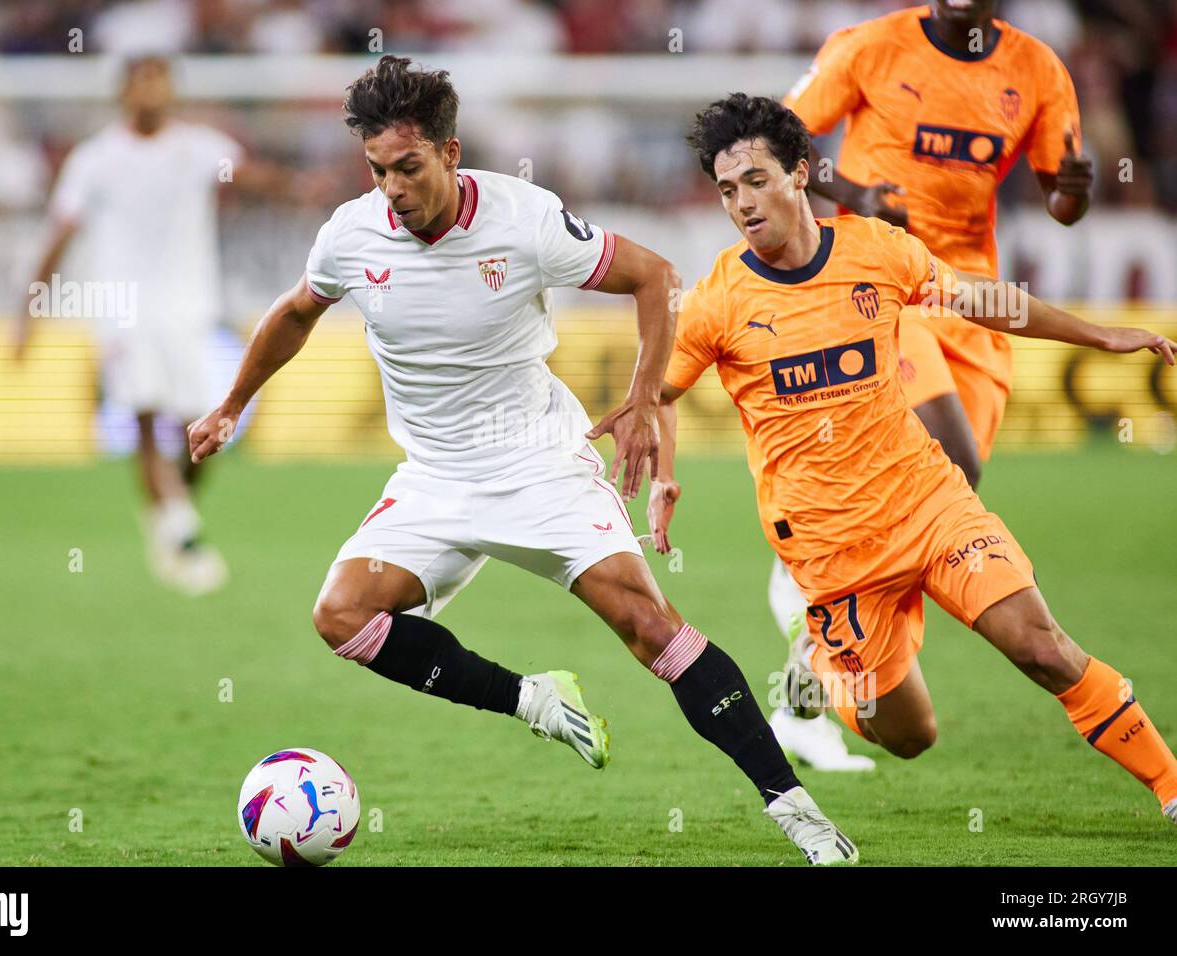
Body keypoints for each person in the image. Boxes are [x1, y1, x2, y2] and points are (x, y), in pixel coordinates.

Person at [189, 56, 858, 864]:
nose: (393, 189)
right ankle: (531, 700)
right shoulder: (351, 233)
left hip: (539, 462)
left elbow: (657, 278)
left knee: (652, 630)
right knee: (340, 616)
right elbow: (296, 311)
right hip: (435, 476)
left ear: (450, 152)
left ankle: (797, 813)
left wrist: (646, 400)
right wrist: (231, 404)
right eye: (377, 171)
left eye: (408, 167)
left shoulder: (523, 219)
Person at [648, 93, 1177, 826]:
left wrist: (1098, 334)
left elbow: (984, 301)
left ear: (801, 173)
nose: (742, 201)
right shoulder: (717, 301)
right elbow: (659, 394)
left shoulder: (874, 248)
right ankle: (824, 677)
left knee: (1042, 647)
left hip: (928, 504)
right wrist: (664, 472)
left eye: (757, 179)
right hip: (833, 549)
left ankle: (1170, 786)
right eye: (727, 189)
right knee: (910, 736)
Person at [768, 0, 1094, 766]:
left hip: (967, 296)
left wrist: (1076, 189)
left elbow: (1063, 202)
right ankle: (821, 594)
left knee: (934, 497)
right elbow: (781, 140)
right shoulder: (870, 46)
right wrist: (856, 199)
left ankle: (814, 664)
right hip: (873, 279)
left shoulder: (1038, 69)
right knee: (956, 462)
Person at [16, 57, 315, 594]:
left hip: (188, 308)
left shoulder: (197, 148)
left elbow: (249, 177)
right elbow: (59, 233)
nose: (151, 92)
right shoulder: (95, 159)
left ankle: (168, 515)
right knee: (146, 414)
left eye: (160, 82)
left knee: (198, 428)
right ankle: (182, 532)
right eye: (141, 82)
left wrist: (300, 186)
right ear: (124, 93)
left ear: (171, 91)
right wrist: (29, 311)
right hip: (124, 311)